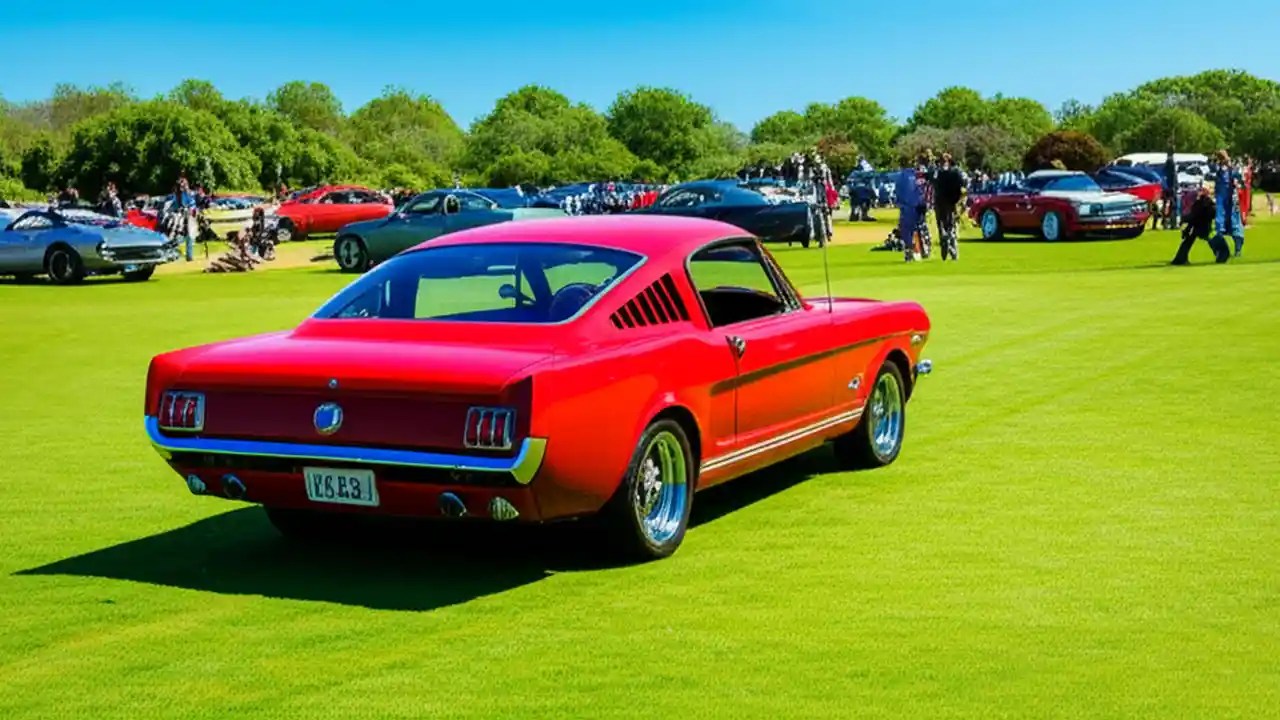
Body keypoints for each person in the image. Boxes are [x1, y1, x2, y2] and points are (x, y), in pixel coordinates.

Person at [1171, 187, 1229, 265]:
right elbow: (1210, 214)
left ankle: (1180, 259)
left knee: (1189, 241)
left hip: (1198, 225)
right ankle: (1222, 256)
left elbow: (1194, 216)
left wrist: (1186, 223)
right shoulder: (1208, 204)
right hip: (1203, 226)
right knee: (1213, 240)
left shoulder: (1200, 203)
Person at [1211, 150, 1245, 258]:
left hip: (1231, 200)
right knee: (1220, 225)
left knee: (1234, 224)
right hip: (1221, 201)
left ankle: (1237, 250)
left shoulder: (1232, 169)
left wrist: (1237, 182)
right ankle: (1222, 251)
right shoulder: (1217, 169)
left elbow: (1240, 181)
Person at [932, 153, 963, 261]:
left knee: (942, 226)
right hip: (951, 203)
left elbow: (934, 184)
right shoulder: (955, 172)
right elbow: (961, 186)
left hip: (940, 202)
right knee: (951, 226)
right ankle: (953, 250)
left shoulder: (937, 173)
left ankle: (945, 248)